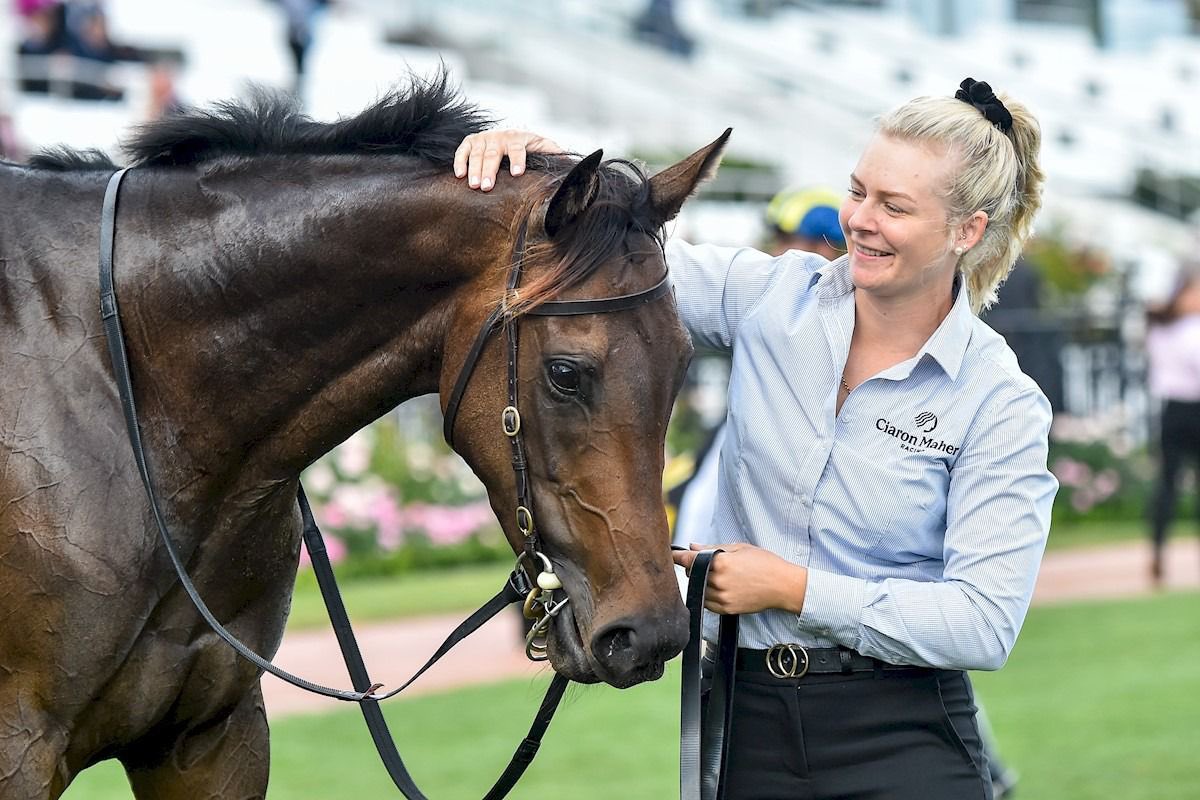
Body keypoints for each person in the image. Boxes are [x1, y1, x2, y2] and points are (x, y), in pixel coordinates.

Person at [455, 77, 1057, 800]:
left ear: (967, 230)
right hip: (743, 729)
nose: (860, 220)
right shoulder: (770, 298)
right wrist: (537, 161)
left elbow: (982, 623)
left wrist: (791, 589)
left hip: (904, 737)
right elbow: (616, 259)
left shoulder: (997, 399)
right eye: (858, 190)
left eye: (894, 206)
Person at [1145, 265, 1200, 585]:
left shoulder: (1160, 329)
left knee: (1167, 485)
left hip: (1170, 411)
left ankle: (1158, 551)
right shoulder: (1191, 329)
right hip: (1193, 407)